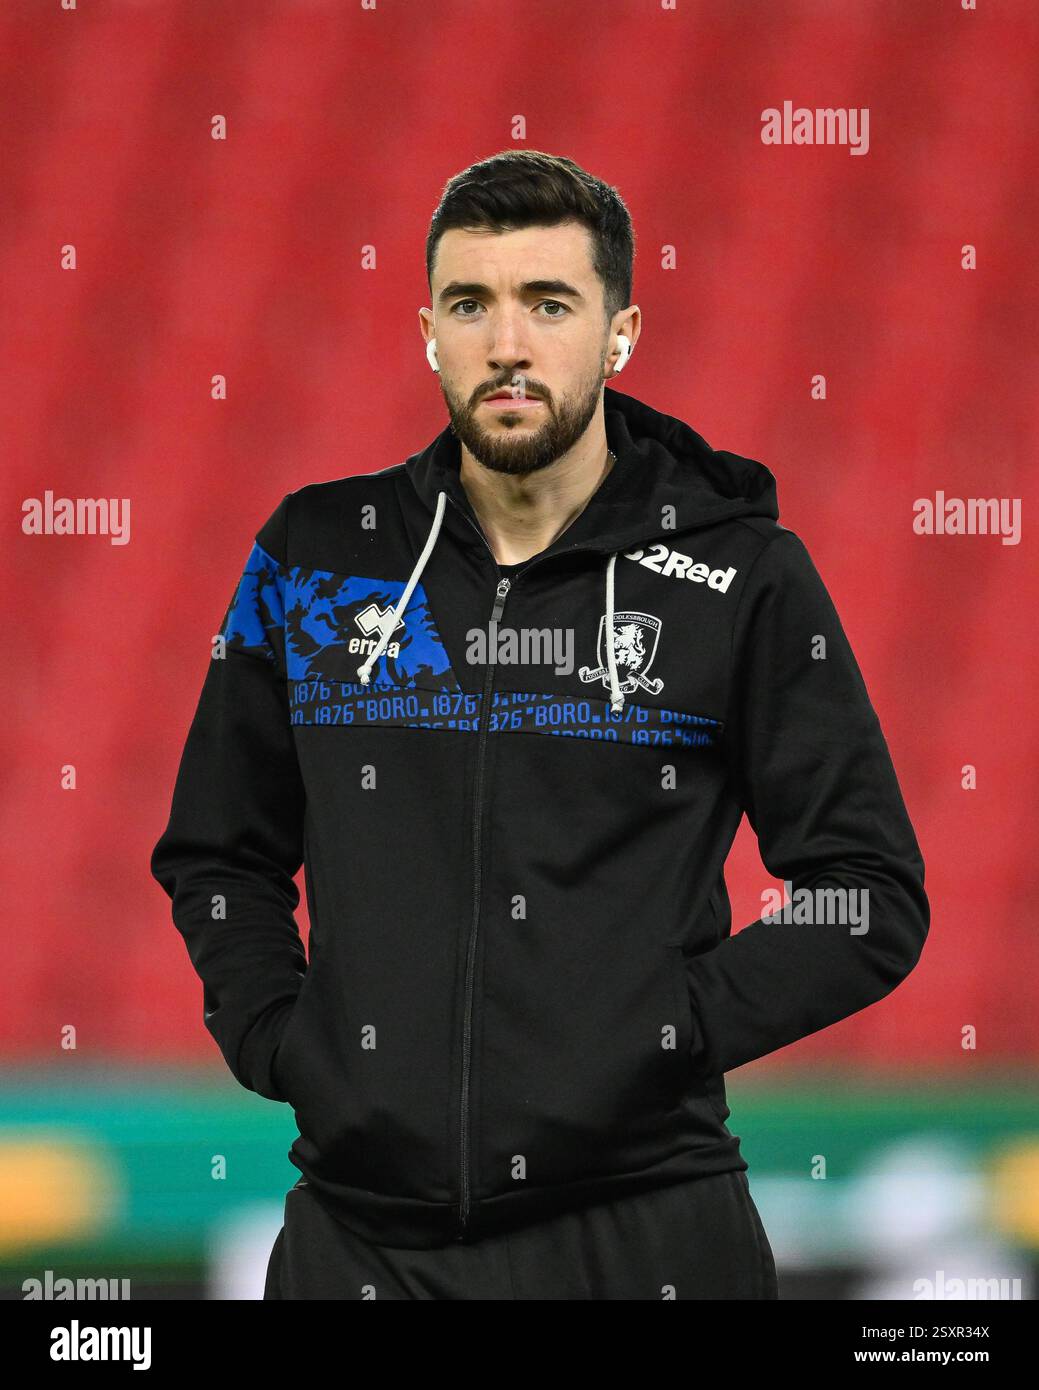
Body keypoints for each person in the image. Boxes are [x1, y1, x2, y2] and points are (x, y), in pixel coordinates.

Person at [150, 149, 929, 1300]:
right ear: (428, 328)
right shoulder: (318, 557)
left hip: (645, 1235)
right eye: (470, 304)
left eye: (548, 304)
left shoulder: (738, 574)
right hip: (360, 1246)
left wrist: (661, 1029)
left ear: (621, 334)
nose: (505, 344)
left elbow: (866, 889)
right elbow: (220, 849)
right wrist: (277, 1035)